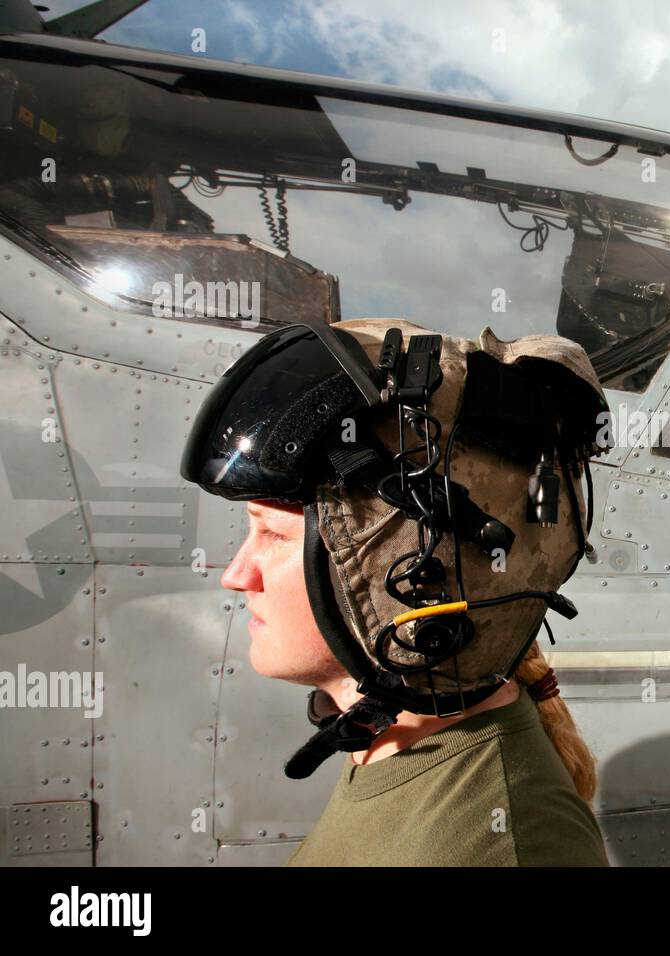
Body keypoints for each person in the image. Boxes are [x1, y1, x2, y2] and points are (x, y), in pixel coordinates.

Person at [182, 318, 611, 866]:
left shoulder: (502, 845)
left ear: (414, 567)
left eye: (273, 534)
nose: (237, 575)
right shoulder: (392, 745)